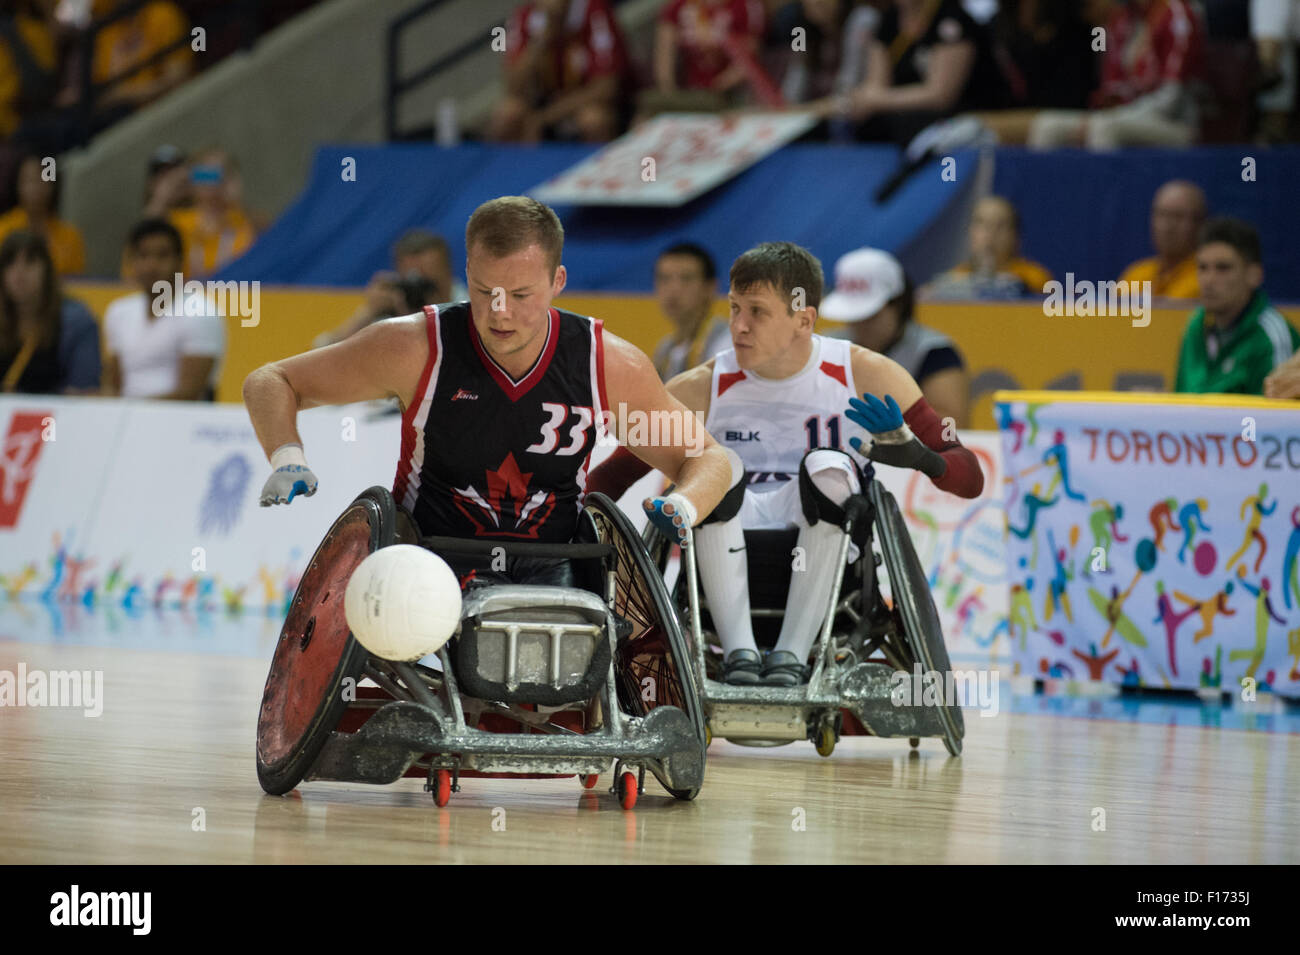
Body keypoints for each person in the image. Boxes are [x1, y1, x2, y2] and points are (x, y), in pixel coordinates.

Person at [243, 196, 732, 589]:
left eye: (521, 296)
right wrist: (287, 456)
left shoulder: (606, 363)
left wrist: (684, 505)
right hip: (431, 561)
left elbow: (708, 459)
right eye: (484, 291)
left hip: (554, 563)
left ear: (557, 281)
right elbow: (272, 380)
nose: (500, 312)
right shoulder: (412, 346)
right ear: (467, 274)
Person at [587, 241, 983, 686]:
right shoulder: (699, 387)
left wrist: (921, 456)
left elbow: (969, 475)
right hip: (726, 544)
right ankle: (741, 654)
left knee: (829, 467)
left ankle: (790, 656)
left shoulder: (866, 374)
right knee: (719, 464)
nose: (738, 326)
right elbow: (613, 474)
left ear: (803, 319)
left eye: (757, 311)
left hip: (829, 550)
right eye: (735, 308)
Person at [821, 247, 969, 427]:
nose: (859, 325)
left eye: (870, 316)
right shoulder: (825, 349)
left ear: (898, 304)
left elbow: (953, 424)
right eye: (852, 316)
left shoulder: (934, 353)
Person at [1027, 0, 1205, 150]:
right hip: (1124, 116)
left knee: (1104, 128)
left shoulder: (1177, 14)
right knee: (1046, 125)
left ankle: (1103, 192)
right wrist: (1102, 110)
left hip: (1174, 124)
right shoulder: (1121, 20)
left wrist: (1114, 117)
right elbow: (1111, 88)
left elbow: (1171, 100)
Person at [835, 0, 1003, 145]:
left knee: (912, 125)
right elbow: (875, 88)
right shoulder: (889, 19)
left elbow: (940, 96)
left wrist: (876, 99)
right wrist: (866, 100)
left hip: (959, 115)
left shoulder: (951, 17)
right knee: (862, 125)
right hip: (903, 112)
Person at [102, 218, 225, 400]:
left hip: (178, 422)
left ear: (180, 261)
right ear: (131, 263)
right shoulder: (119, 312)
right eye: (143, 256)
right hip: (126, 419)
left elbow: (191, 394)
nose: (151, 265)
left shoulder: (199, 312)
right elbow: (113, 385)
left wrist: (129, 409)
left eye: (162, 256)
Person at [1174, 217, 1299, 395]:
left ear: (1254, 275)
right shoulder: (1194, 326)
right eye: (1202, 268)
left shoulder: (1271, 335)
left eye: (1223, 268)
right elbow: (1179, 406)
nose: (1208, 280)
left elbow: (1280, 418)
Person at [489, 0, 629, 143]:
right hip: (544, 102)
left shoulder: (593, 10)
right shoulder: (525, 16)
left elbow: (606, 88)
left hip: (581, 103)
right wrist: (543, 39)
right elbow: (513, 87)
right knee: (507, 115)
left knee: (593, 119)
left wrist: (545, 118)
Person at [313, 229, 467, 349]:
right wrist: (369, 313)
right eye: (412, 283)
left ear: (448, 272)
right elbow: (321, 354)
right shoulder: (390, 315)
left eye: (426, 284)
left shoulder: (472, 309)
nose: (419, 291)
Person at [0, 231, 99, 395]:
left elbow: (85, 391)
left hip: (57, 417)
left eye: (30, 262)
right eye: (10, 263)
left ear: (47, 270)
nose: (19, 272)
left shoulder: (76, 320)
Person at [649, 0, 767, 112]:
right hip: (690, 93)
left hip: (732, 93)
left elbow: (750, 61)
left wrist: (714, 89)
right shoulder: (682, 6)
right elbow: (664, 56)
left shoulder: (747, 6)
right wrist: (669, 93)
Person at [926, 195, 1051, 299]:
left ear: (1016, 237)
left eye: (1001, 225)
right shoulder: (954, 279)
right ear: (970, 233)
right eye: (982, 224)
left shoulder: (1036, 280)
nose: (990, 233)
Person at [167, 149, 258, 277]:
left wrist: (236, 197)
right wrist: (166, 192)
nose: (213, 184)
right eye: (205, 175)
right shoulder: (177, 222)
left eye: (221, 174)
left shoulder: (245, 222)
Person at [650, 242, 730, 381]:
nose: (673, 289)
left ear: (710, 287)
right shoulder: (664, 350)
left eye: (686, 279)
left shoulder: (727, 344)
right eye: (665, 279)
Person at [1118, 180, 1206, 301]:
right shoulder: (1135, 275)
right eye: (1161, 214)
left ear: (1199, 223)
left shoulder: (1208, 279)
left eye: (1177, 216)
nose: (1167, 226)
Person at [0, 153, 86, 276]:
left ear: (52, 185)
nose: (35, 187)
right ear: (17, 184)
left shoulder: (70, 237)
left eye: (43, 179)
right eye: (29, 180)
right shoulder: (3, 230)